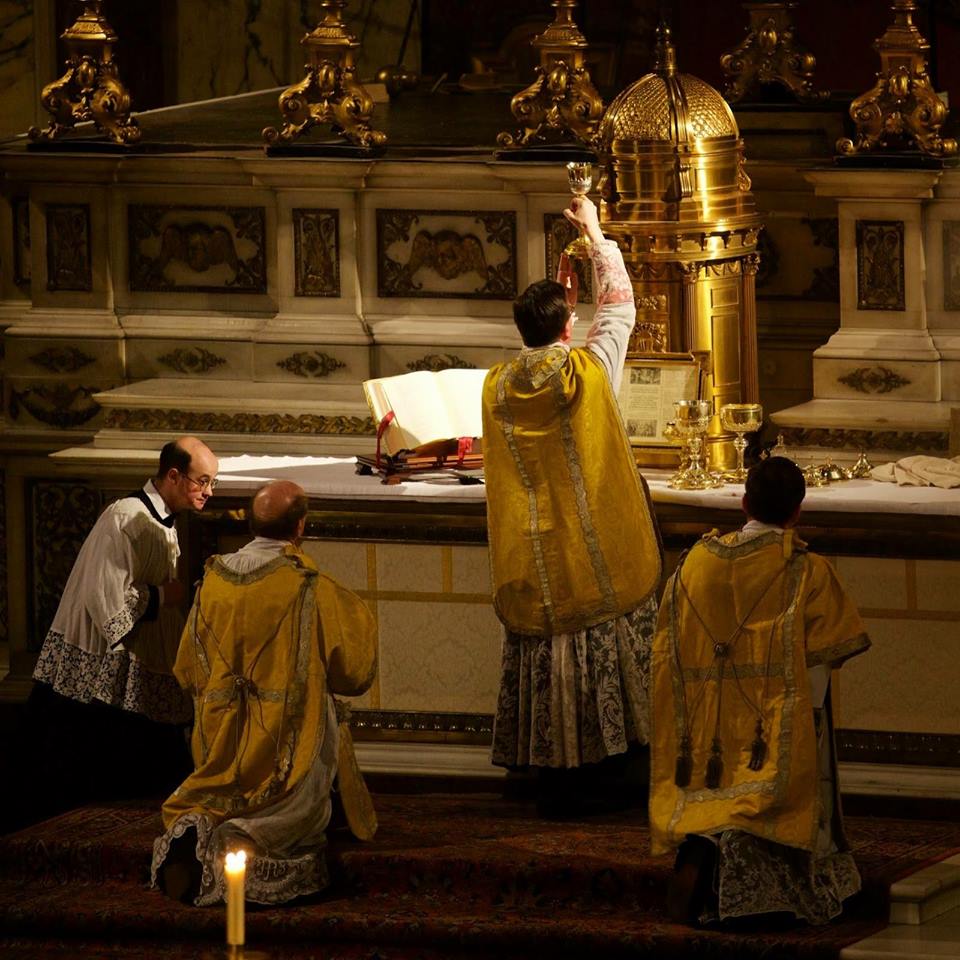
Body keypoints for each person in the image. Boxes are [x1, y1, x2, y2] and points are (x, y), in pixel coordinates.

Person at [482, 196, 662, 811]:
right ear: (567, 328)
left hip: (534, 542)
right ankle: (607, 762)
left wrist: (560, 297)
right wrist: (596, 237)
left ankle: (544, 764)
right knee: (596, 634)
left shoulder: (500, 383)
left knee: (544, 644)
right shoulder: (588, 371)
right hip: (589, 544)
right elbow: (619, 311)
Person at [650, 457, 871, 925]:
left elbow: (668, 644)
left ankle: (705, 847)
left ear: (744, 503)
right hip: (768, 724)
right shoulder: (807, 570)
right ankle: (763, 885)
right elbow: (821, 662)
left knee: (720, 790)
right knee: (775, 783)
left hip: (705, 724)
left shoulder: (695, 562)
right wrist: (806, 722)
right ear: (797, 512)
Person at [152, 480, 378, 906]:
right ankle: (240, 836)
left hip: (221, 736)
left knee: (216, 787)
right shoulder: (311, 586)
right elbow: (352, 674)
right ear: (300, 528)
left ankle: (200, 822)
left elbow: (188, 668)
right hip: (286, 741)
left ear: (250, 523)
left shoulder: (213, 579)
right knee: (292, 812)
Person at [27, 436, 219, 813]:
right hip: (100, 668)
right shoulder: (125, 517)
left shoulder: (161, 521)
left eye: (213, 482)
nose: (209, 491)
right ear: (175, 475)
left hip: (141, 659)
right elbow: (108, 604)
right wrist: (165, 597)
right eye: (203, 481)